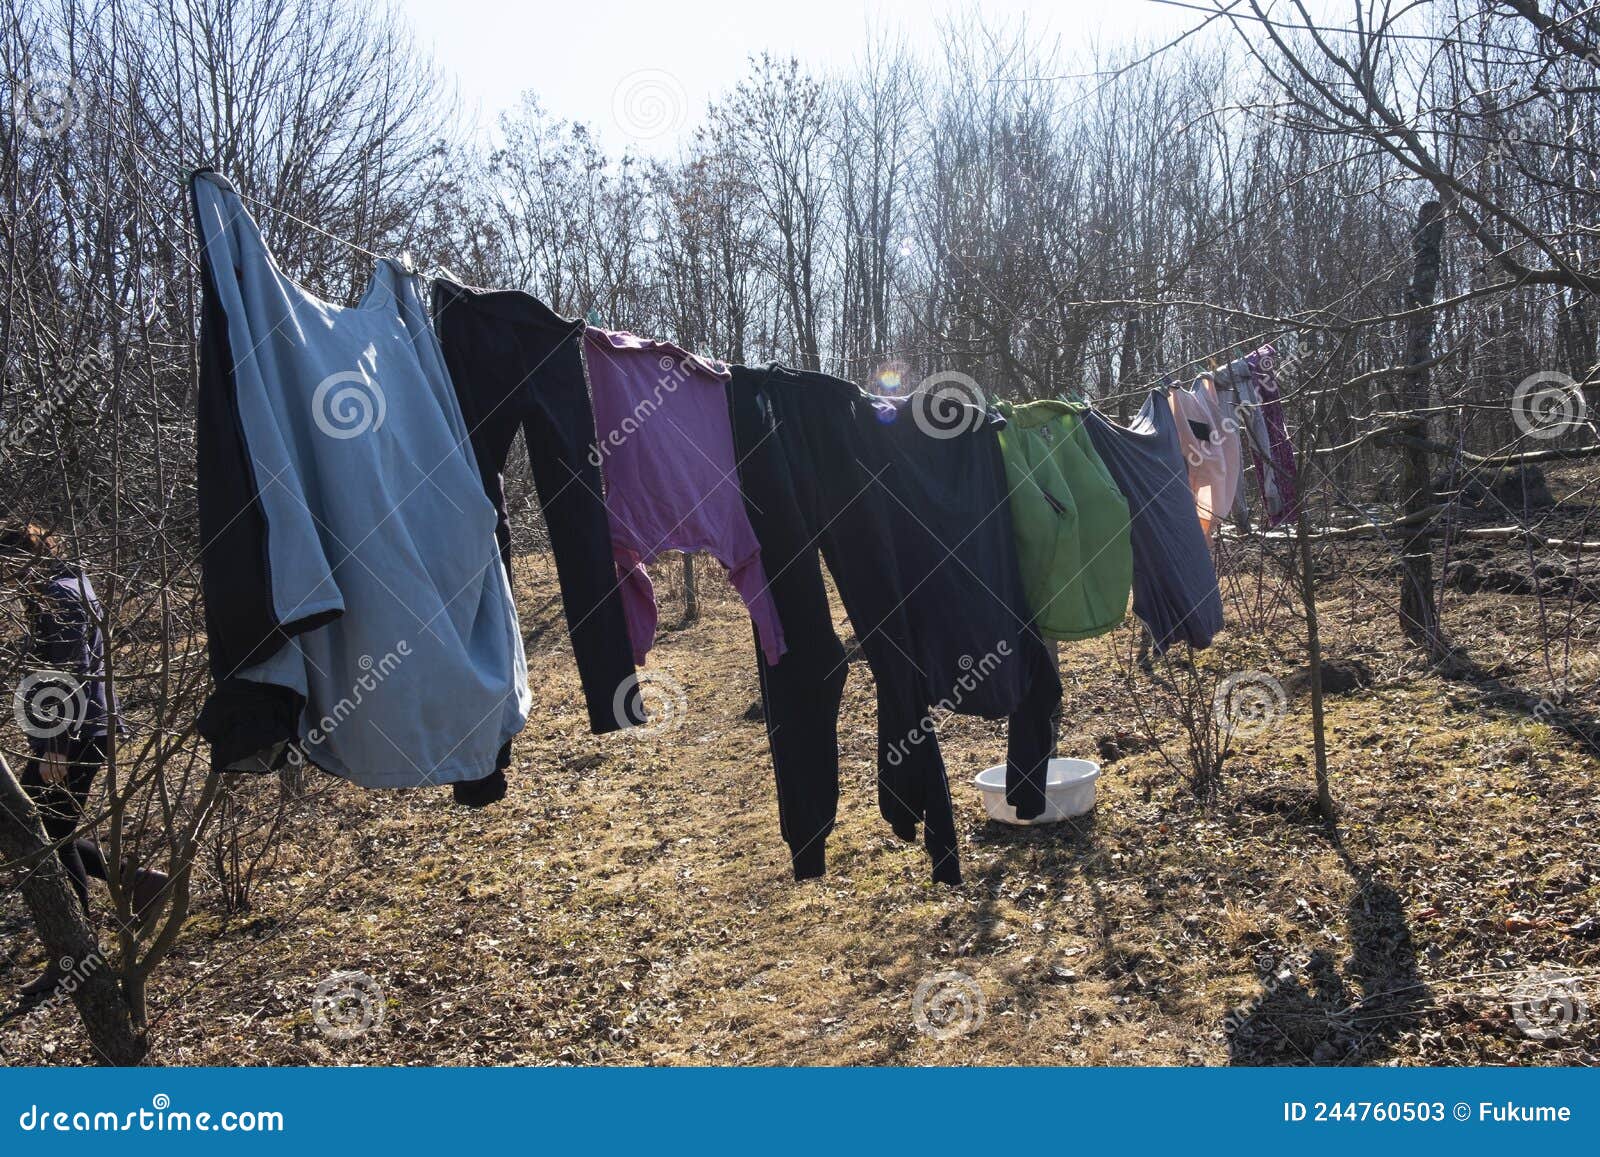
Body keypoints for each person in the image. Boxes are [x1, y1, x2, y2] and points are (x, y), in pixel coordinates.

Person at [2, 523, 166, 999]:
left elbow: (72, 669)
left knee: (46, 834)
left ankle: (73, 952)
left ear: (22, 559)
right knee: (54, 830)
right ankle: (139, 883)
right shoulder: (66, 583)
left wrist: (56, 743)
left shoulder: (59, 593)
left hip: (75, 734)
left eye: (6, 567)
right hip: (78, 730)